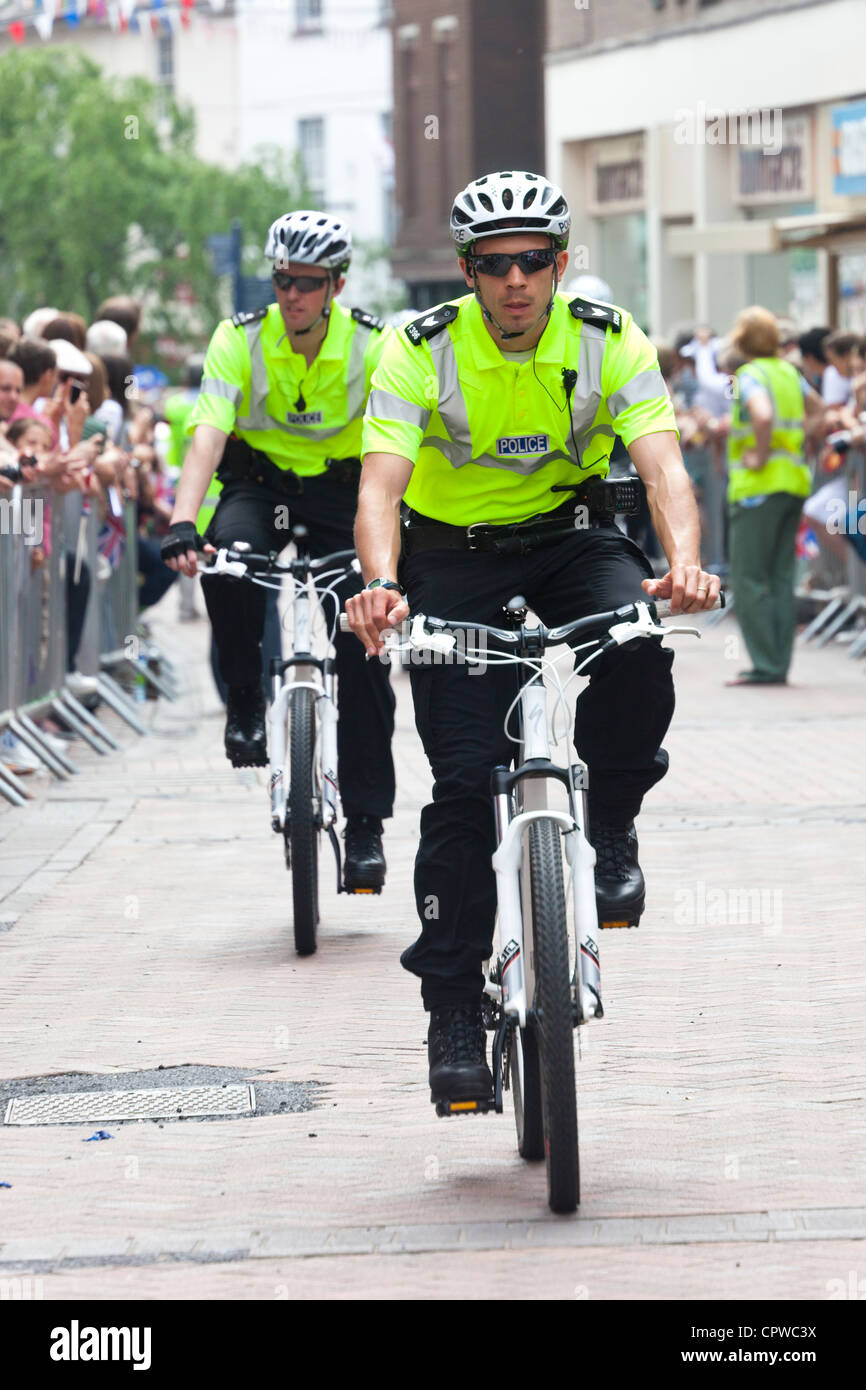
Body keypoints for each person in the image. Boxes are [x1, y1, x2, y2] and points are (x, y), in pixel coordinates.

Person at [346, 169, 720, 1107]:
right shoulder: (416, 348)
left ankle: (616, 821)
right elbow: (380, 491)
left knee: (638, 650)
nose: (516, 281)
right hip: (451, 561)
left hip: (570, 541)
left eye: (536, 263)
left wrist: (682, 564)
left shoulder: (607, 339)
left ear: (559, 267)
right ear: (468, 273)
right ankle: (451, 1012)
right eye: (495, 265)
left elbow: (665, 468)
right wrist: (384, 587)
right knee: (465, 789)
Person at [161, 211, 397, 892]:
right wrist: (183, 518)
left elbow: (399, 440)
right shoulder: (239, 338)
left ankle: (368, 829)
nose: (291, 294)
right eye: (282, 280)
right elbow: (207, 432)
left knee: (364, 649)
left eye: (307, 282)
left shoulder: (372, 345)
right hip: (259, 487)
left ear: (337, 285)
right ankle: (243, 697)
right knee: (226, 562)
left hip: (341, 496)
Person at [726, 306, 825, 685]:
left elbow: (763, 415)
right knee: (781, 578)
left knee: (750, 578)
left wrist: (760, 453)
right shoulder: (789, 372)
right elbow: (819, 410)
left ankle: (765, 665)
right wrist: (804, 438)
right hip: (794, 483)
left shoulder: (750, 374)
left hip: (758, 489)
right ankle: (778, 664)